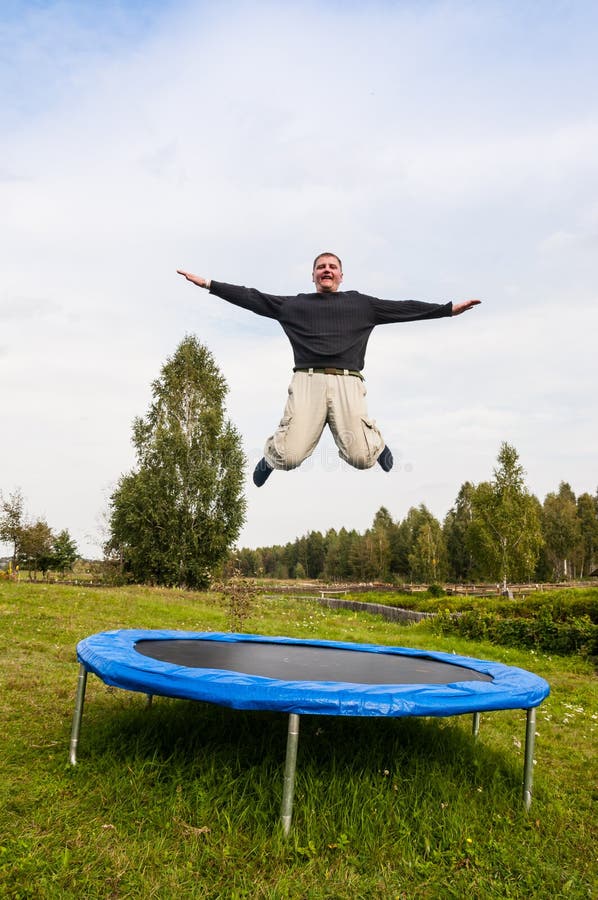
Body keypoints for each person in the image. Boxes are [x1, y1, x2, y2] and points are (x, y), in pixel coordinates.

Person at [177, 253, 480, 486]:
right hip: (307, 381)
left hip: (348, 383)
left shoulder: (362, 305)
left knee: (362, 458)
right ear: (313, 275)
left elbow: (404, 308)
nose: (327, 270)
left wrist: (447, 309)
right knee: (290, 456)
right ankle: (270, 459)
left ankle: (378, 444)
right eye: (321, 266)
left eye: (332, 266)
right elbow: (252, 297)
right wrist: (210, 285)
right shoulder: (294, 306)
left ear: (341, 275)